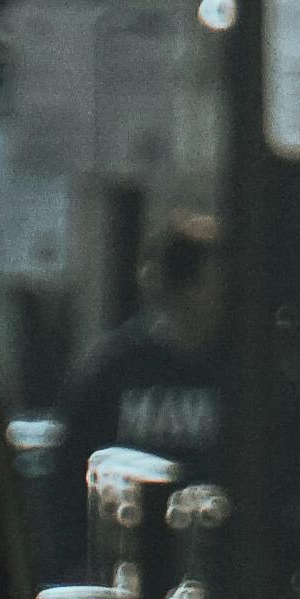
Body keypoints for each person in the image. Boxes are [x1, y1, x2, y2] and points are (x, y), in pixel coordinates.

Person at [57, 209, 226, 493]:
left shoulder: (239, 372)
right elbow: (72, 468)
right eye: (215, 284)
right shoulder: (114, 371)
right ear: (182, 288)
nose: (226, 298)